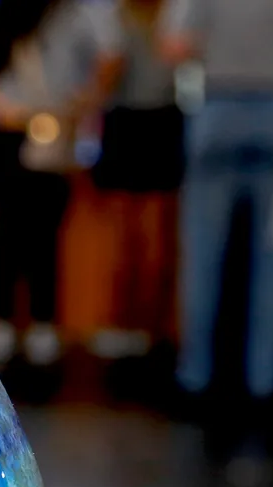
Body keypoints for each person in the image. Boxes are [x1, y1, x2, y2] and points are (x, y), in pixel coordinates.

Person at [159, 0, 273, 400]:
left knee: (203, 252)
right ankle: (267, 378)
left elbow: (174, 45)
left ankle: (197, 374)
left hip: (218, 108)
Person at [0, 0, 117, 368]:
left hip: (55, 135)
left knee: (45, 234)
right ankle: (1, 322)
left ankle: (44, 325)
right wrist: (3, 111)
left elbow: (110, 57)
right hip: (8, 137)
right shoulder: (3, 18)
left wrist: (82, 103)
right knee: (7, 231)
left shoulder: (76, 15)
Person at [90, 0, 183, 361]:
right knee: (124, 238)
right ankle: (124, 325)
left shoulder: (176, 14)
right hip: (125, 125)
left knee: (156, 239)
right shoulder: (110, 18)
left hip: (160, 124)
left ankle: (152, 328)